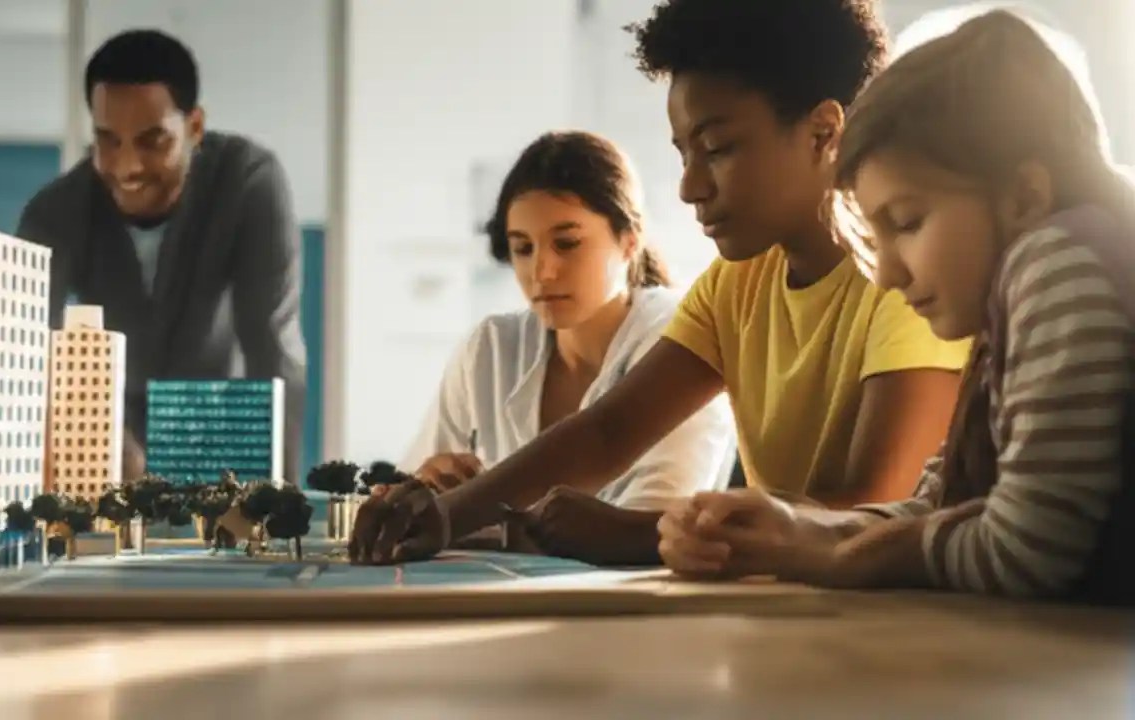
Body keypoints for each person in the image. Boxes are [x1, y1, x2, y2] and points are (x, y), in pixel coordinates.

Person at [350, 0, 970, 566]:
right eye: (683, 154)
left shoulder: (905, 281)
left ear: (823, 133)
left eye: (718, 149)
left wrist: (639, 533)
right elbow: (606, 431)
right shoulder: (737, 282)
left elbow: (870, 510)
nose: (690, 187)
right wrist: (443, 514)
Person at [658, 10, 1135, 605]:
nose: (885, 275)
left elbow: (1026, 550)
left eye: (907, 222)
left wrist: (830, 554)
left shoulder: (1058, 263)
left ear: (1024, 196)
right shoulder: (1000, 325)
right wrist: (787, 529)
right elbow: (937, 507)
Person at [401, 131, 737, 565]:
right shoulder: (490, 350)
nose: (543, 271)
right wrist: (429, 487)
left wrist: (465, 516)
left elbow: (645, 529)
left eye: (567, 243)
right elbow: (413, 505)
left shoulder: (680, 340)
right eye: (523, 248)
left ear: (629, 240)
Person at [16, 30, 307, 483]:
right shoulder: (56, 210)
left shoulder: (248, 180)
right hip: (111, 441)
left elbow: (272, 344)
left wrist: (281, 497)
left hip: (221, 431)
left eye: (153, 141)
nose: (127, 167)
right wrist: (98, 435)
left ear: (194, 127)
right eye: (108, 140)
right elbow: (25, 349)